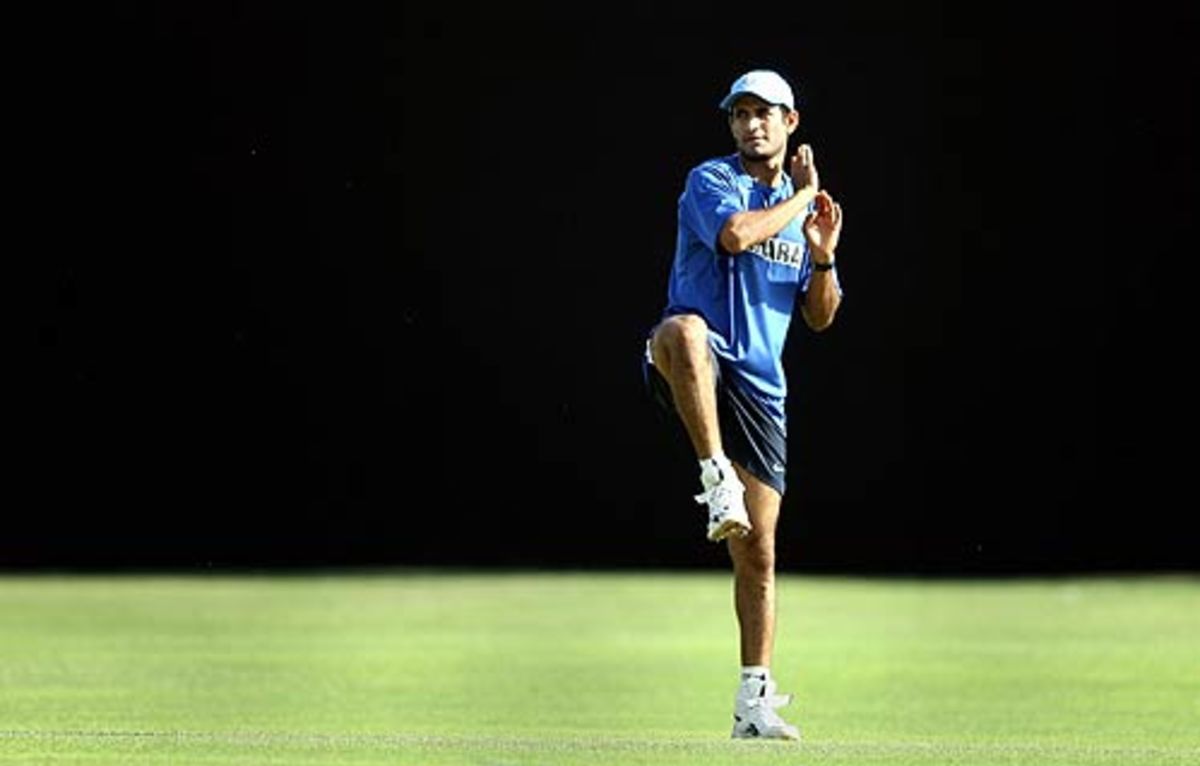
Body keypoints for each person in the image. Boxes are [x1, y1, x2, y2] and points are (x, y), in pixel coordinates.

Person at [641, 68, 844, 741]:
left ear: (791, 122)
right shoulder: (712, 179)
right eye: (741, 114)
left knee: (758, 554)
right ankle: (714, 473)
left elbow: (820, 316)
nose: (751, 124)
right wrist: (805, 193)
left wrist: (822, 258)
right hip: (695, 365)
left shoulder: (804, 209)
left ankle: (752, 703)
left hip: (760, 385)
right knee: (681, 331)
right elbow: (733, 235)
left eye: (765, 113)